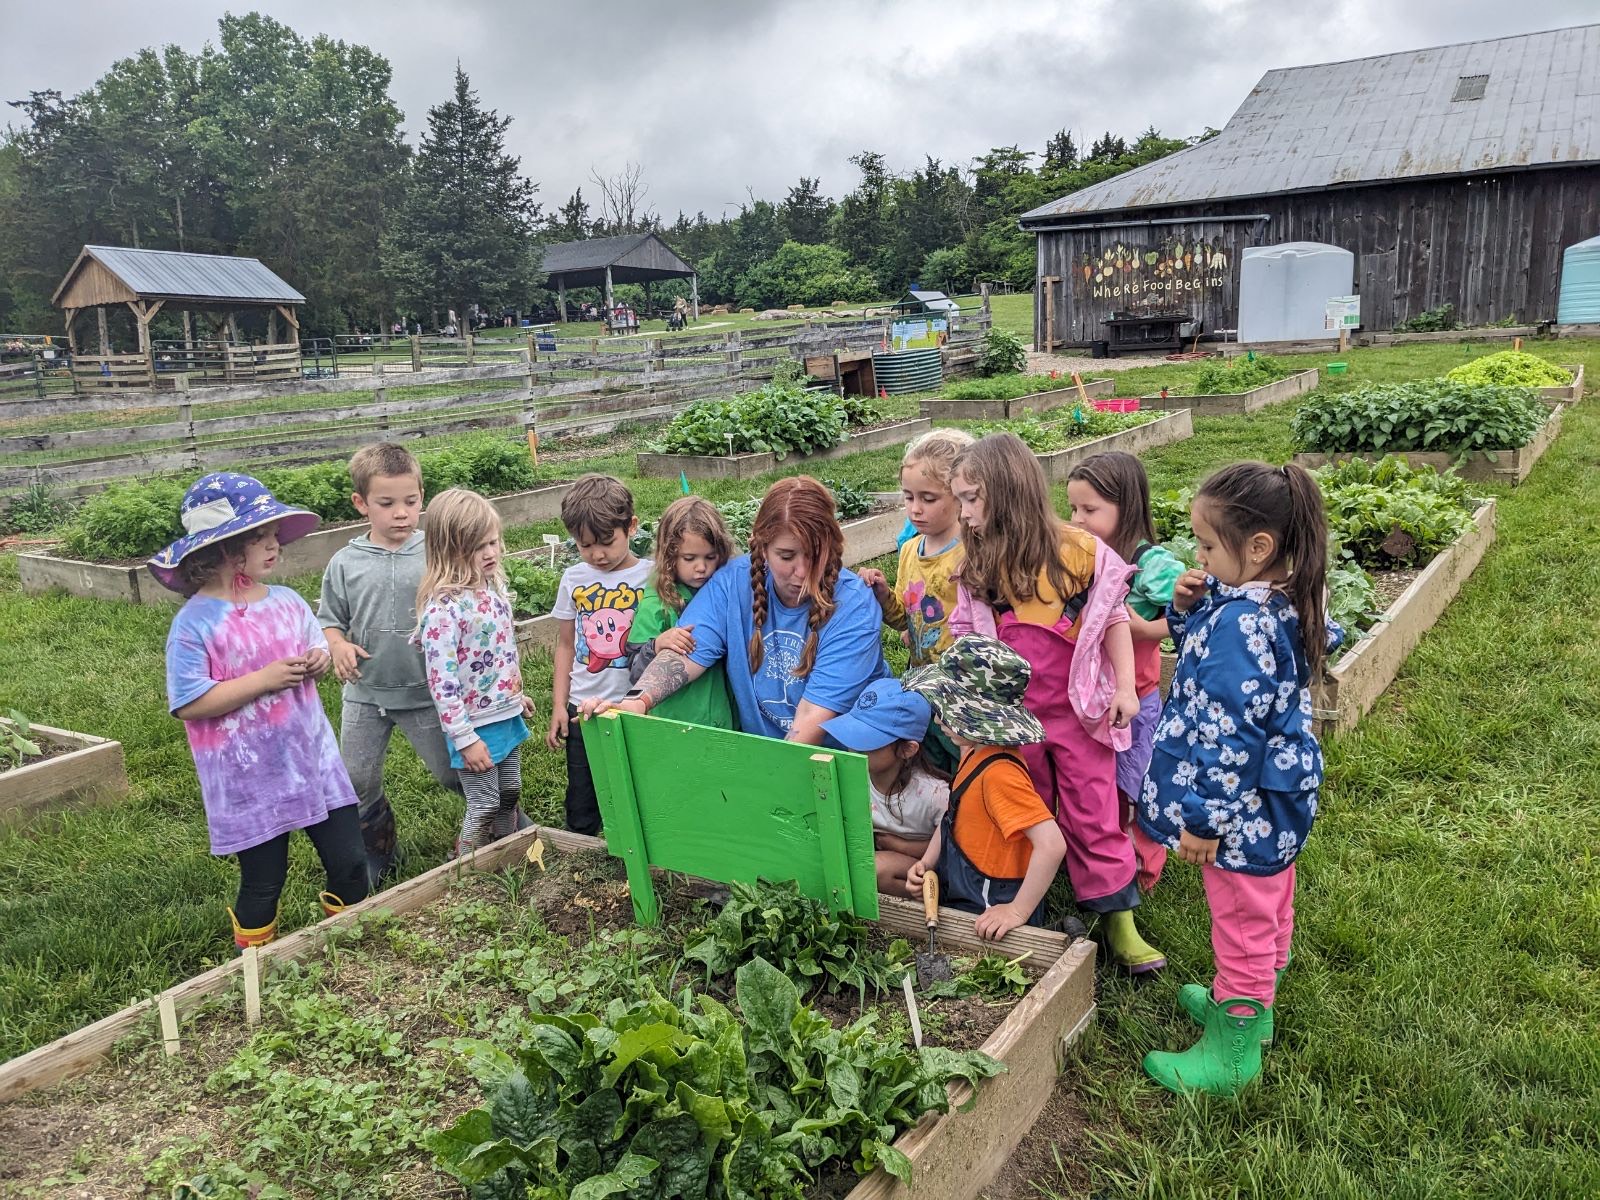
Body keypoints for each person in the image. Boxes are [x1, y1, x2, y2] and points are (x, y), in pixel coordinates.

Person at [1139, 462, 1338, 1097]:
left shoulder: (1239, 627)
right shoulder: (1284, 599)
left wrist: (1203, 819)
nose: (1195, 554)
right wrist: (1186, 607)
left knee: (1240, 914)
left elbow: (1227, 735)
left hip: (1235, 808)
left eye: (1204, 544)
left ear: (1258, 548)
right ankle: (1254, 1005)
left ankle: (1233, 1051)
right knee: (1270, 898)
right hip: (1277, 799)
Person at [947, 433, 1165, 974]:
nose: (965, 512)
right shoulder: (979, 564)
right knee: (1030, 805)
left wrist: (1120, 689)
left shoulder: (1079, 552)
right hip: (1015, 718)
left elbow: (1113, 617)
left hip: (1077, 713)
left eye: (972, 498)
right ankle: (1030, 902)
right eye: (961, 500)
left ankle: (1119, 919)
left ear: (1007, 491)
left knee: (1093, 807)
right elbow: (968, 641)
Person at [150, 473, 367, 950]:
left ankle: (351, 948)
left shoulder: (286, 602)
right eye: (262, 538)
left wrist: (318, 660)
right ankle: (258, 966)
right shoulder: (194, 623)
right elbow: (188, 702)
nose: (276, 547)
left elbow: (318, 650)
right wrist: (264, 680)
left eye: (274, 537)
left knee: (351, 862)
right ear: (226, 549)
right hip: (249, 779)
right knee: (264, 882)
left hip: (312, 763)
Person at [584, 476, 887, 745]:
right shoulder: (732, 582)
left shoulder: (854, 607)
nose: (802, 572)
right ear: (762, 549)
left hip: (849, 766)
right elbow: (686, 652)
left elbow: (810, 721)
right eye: (787, 556)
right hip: (765, 758)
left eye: (815, 555)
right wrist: (636, 702)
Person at [318, 443, 460, 887]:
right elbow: (330, 622)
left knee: (454, 772)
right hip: (364, 690)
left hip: (425, 692)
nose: (401, 513)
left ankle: (504, 818)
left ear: (422, 496)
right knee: (356, 780)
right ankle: (378, 851)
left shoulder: (439, 553)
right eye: (387, 503)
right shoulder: (345, 563)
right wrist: (337, 645)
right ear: (361, 503)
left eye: (411, 502)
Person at [1066, 451, 1187, 893]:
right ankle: (1106, 857)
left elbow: (1191, 611)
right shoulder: (1083, 556)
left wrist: (1141, 627)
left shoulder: (1150, 564)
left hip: (1135, 696)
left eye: (1090, 510)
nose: (1077, 519)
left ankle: (1142, 868)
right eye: (1073, 508)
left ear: (1127, 506)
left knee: (1136, 785)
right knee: (1100, 786)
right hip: (1091, 699)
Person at [902, 636, 1066, 940]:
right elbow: (954, 814)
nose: (938, 719)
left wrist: (1016, 910)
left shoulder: (1000, 774)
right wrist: (926, 862)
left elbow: (1052, 844)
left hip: (990, 900)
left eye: (948, 710)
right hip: (963, 882)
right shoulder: (973, 752)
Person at [415, 489, 537, 854]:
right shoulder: (443, 610)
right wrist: (464, 738)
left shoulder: (493, 591)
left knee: (510, 792)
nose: (490, 553)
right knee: (484, 803)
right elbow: (442, 685)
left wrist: (515, 695)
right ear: (448, 549)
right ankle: (466, 864)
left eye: (493, 542)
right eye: (477, 546)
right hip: (473, 725)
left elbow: (500, 655)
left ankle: (506, 850)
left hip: (504, 713)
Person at [861, 427, 974, 773]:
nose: (915, 509)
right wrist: (882, 596)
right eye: (909, 497)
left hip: (964, 691)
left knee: (966, 763)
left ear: (959, 495)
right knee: (932, 762)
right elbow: (905, 618)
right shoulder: (910, 549)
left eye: (928, 498)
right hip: (922, 684)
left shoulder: (972, 553)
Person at [547, 475, 652, 835]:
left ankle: (636, 846)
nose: (597, 554)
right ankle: (581, 850)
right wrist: (559, 705)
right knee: (582, 792)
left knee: (639, 785)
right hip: (583, 707)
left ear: (632, 527)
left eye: (607, 542)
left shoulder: (652, 576)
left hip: (635, 704)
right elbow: (564, 645)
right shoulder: (574, 579)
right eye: (585, 545)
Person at [821, 679, 950, 894]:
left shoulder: (935, 794)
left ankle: (930, 904)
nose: (854, 747)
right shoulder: (853, 779)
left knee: (875, 868)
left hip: (928, 870)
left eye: (866, 741)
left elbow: (952, 848)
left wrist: (901, 846)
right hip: (875, 855)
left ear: (907, 749)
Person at [625, 496, 736, 729]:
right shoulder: (657, 604)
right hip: (677, 722)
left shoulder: (725, 590)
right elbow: (635, 668)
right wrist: (657, 645)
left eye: (710, 557)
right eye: (689, 558)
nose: (701, 567)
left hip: (724, 717)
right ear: (669, 556)